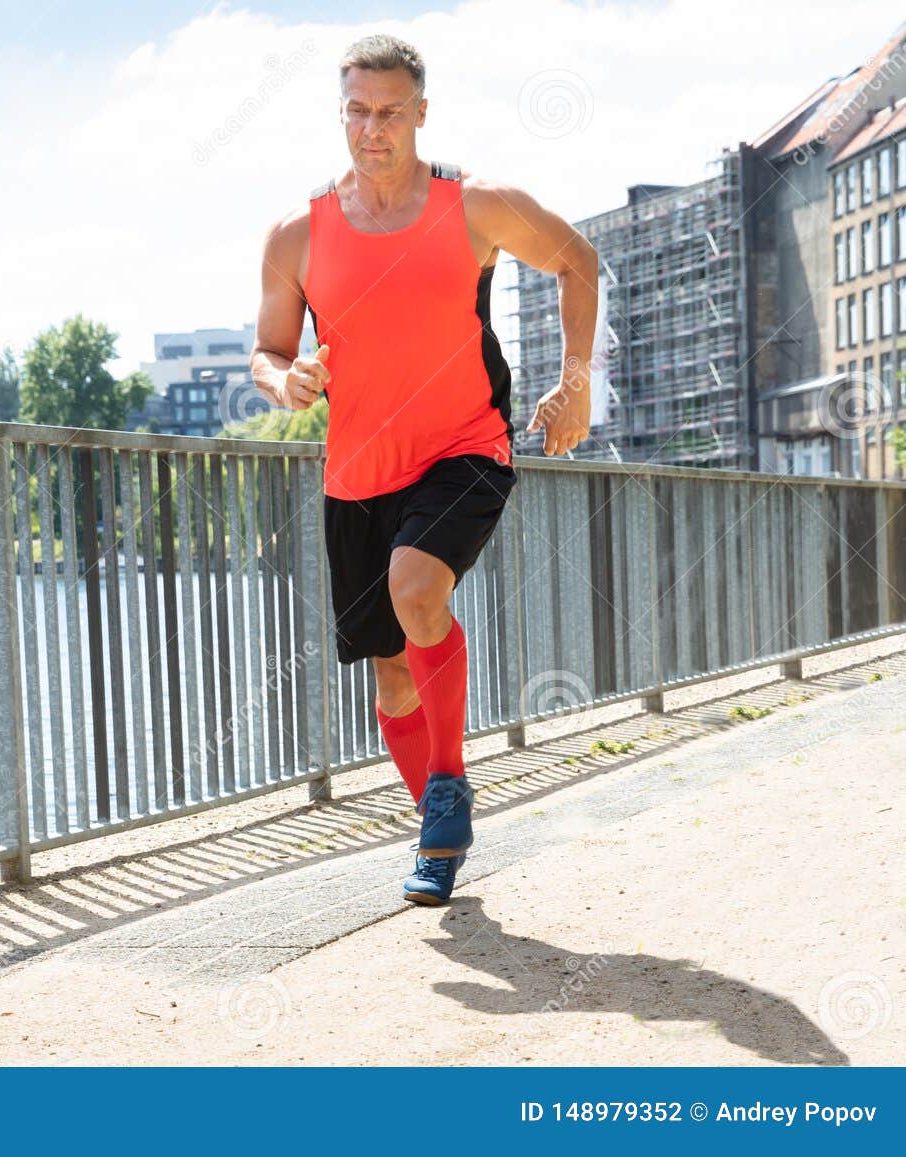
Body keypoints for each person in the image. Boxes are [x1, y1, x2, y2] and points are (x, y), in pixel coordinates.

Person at [250, 33, 597, 905]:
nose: (373, 128)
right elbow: (267, 350)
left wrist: (576, 383)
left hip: (465, 445)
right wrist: (285, 381)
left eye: (391, 112)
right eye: (357, 111)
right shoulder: (297, 233)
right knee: (392, 670)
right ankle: (438, 834)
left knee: (415, 590)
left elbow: (577, 260)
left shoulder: (475, 204)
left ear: (421, 113)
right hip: (356, 472)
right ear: (341, 114)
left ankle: (446, 791)